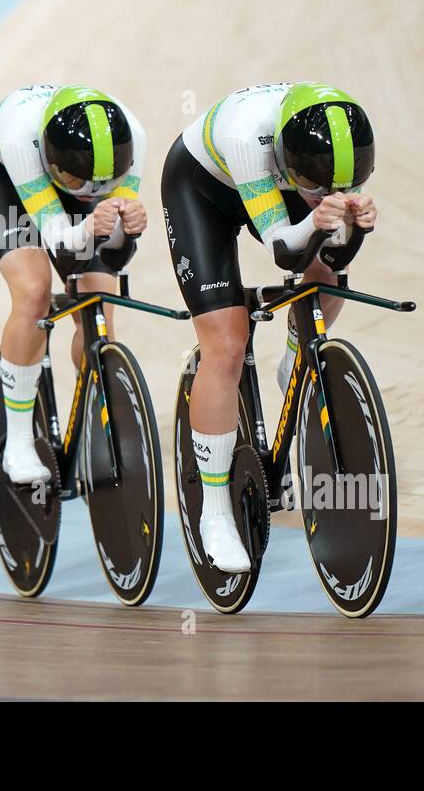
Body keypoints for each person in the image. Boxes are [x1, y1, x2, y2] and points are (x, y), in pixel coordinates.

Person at [160, 82, 377, 572]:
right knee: (226, 345)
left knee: (325, 262)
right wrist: (322, 223)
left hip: (281, 184)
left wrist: (353, 229)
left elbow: (332, 259)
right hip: (203, 191)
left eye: (338, 184)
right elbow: (283, 250)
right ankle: (213, 513)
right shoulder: (247, 137)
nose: (329, 191)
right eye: (316, 181)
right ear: (285, 153)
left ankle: (296, 360)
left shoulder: (339, 155)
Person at [0, 84, 148, 485]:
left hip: (71, 191)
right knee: (34, 293)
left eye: (104, 184)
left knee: (98, 307)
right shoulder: (20, 137)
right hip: (3, 182)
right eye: (78, 183)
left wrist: (127, 231)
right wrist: (91, 224)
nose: (90, 194)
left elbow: (114, 254)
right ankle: (17, 441)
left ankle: (98, 421)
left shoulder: (131, 137)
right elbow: (61, 244)